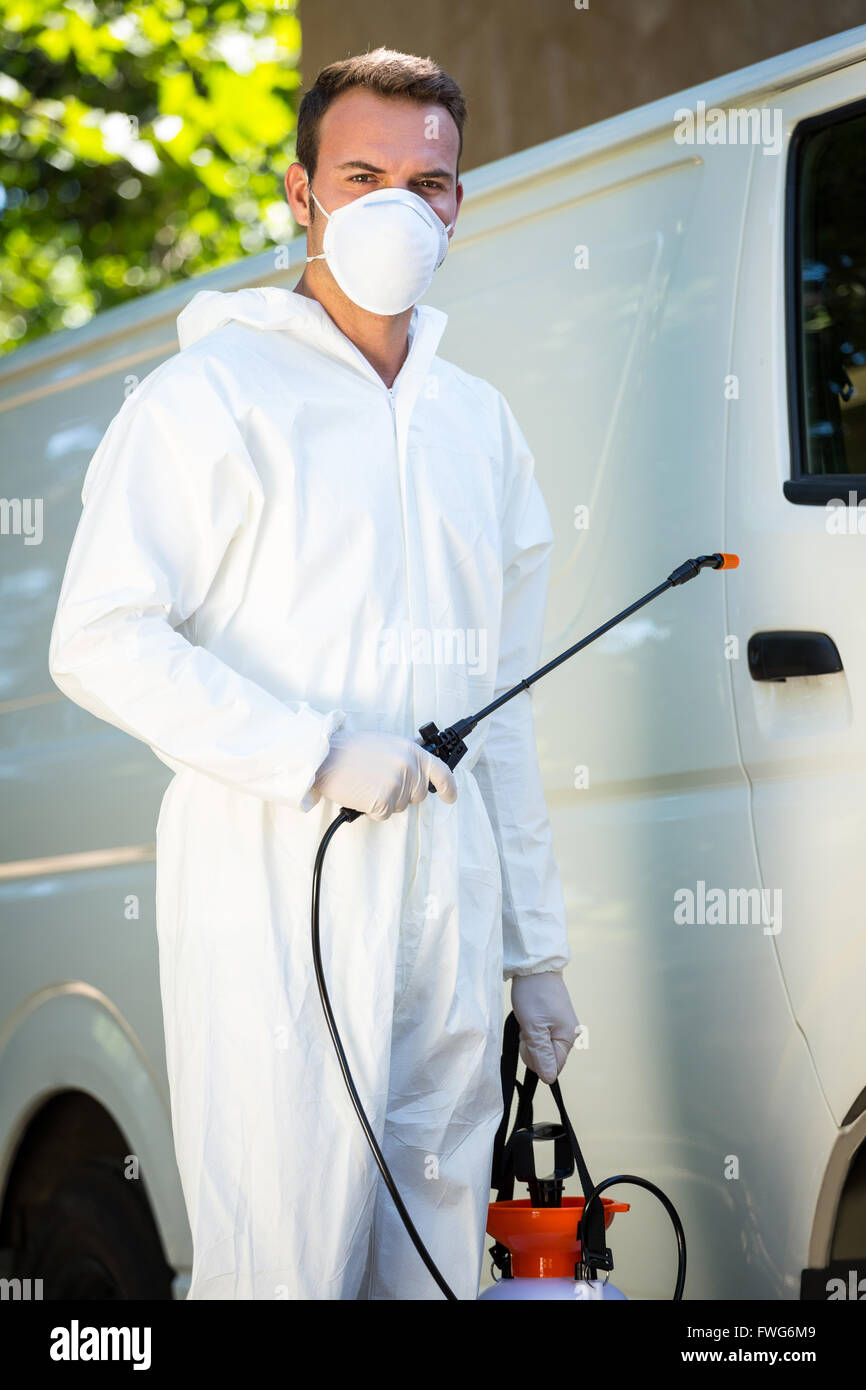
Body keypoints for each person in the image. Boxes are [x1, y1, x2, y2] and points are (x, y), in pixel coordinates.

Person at [48, 47, 581, 1301]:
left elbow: (502, 706)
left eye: (428, 182)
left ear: (460, 203)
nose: (398, 207)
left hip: (445, 904)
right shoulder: (210, 399)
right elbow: (100, 636)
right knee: (283, 1259)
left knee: (438, 1252)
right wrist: (314, 753)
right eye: (362, 175)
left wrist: (534, 947)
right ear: (301, 193)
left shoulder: (476, 424)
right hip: (273, 892)